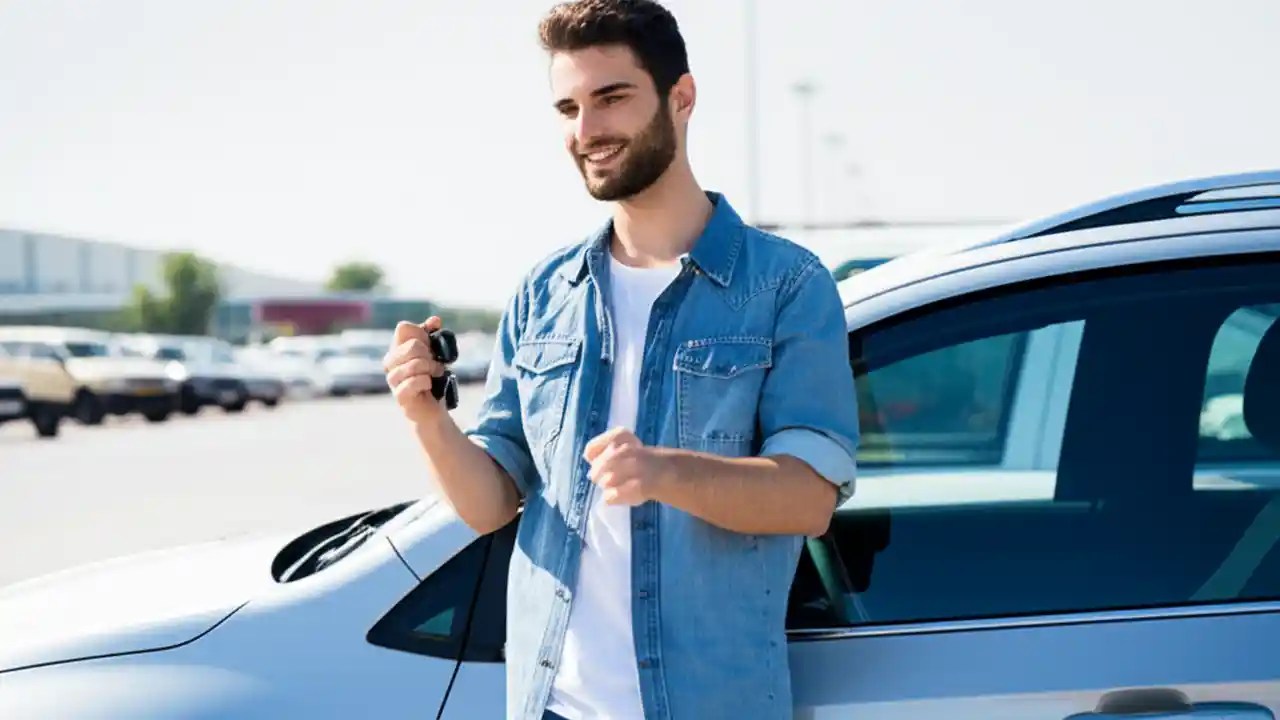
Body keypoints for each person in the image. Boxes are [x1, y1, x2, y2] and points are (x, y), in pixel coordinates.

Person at [382, 1, 860, 718]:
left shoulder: (786, 284)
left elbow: (808, 498)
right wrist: (425, 417)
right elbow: (489, 506)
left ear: (682, 98)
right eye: (568, 107)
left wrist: (666, 471)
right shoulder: (545, 293)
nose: (587, 131)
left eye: (611, 98)